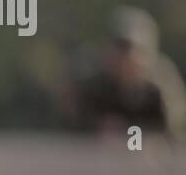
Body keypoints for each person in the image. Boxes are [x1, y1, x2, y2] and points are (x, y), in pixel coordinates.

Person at [68, 7, 186, 141]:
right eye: (119, 48)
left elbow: (174, 132)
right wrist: (98, 129)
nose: (126, 58)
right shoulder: (91, 83)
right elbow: (70, 128)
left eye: (133, 50)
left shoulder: (161, 86)